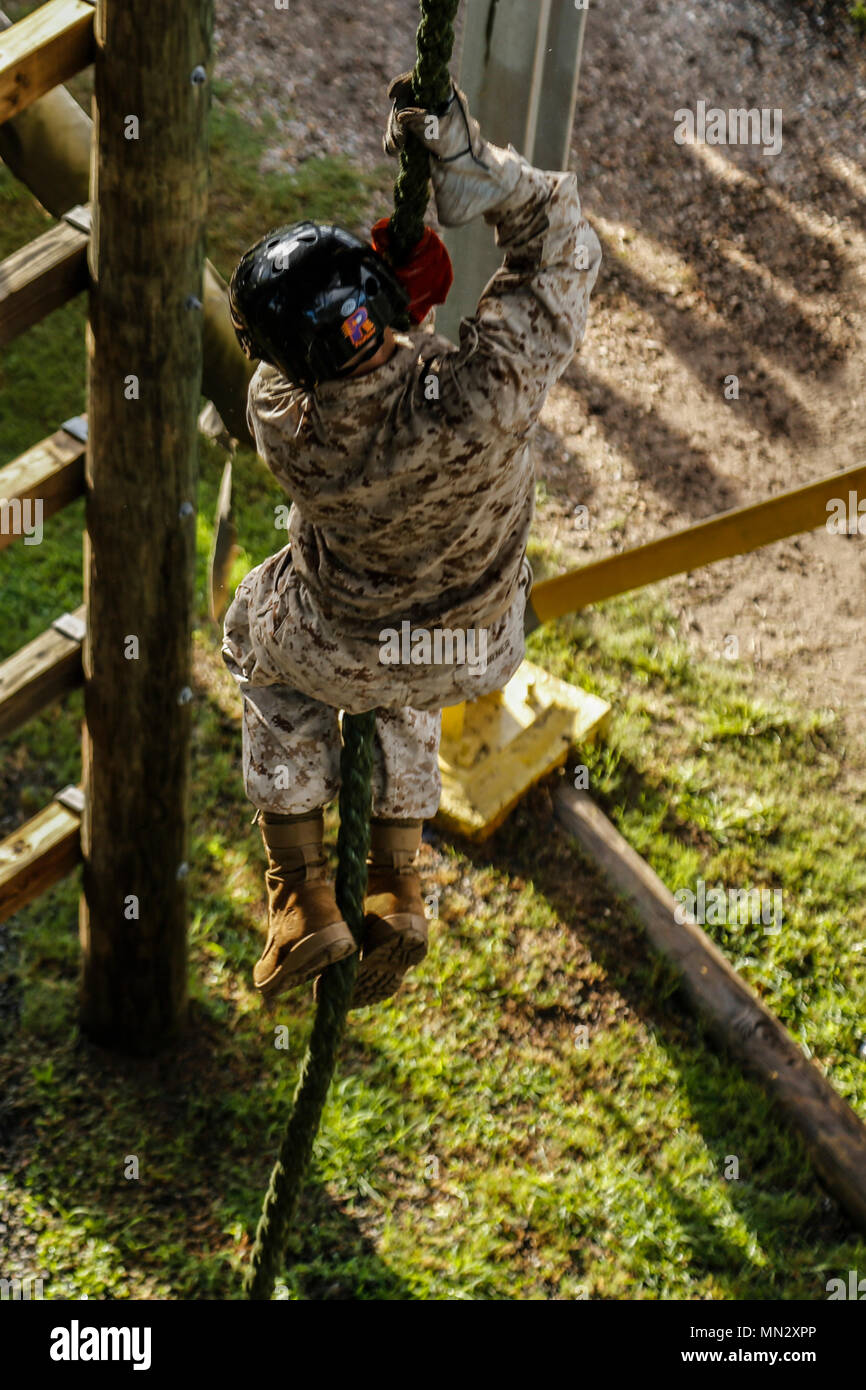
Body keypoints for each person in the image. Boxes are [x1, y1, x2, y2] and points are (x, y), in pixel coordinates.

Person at [223, 71, 602, 1009]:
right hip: (474, 644)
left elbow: (303, 377)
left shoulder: (287, 430)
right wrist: (485, 183)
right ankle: (398, 880)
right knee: (414, 660)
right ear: (380, 306)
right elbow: (563, 251)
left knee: (256, 641)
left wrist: (387, 313)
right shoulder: (490, 394)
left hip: (338, 645)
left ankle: (301, 894)